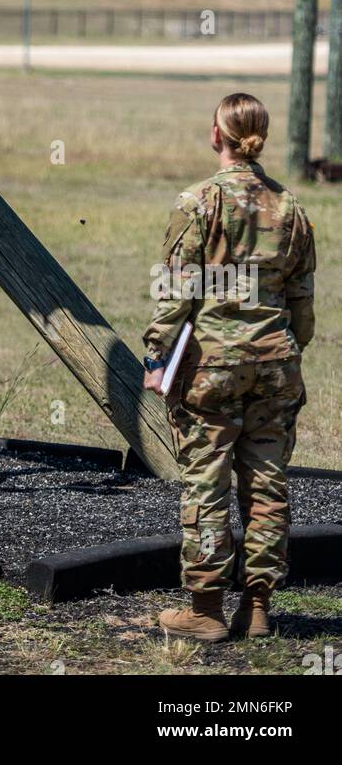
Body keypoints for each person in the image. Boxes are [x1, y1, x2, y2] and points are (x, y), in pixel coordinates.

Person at [142, 92, 315, 642]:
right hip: (275, 366)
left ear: (216, 135)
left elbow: (175, 294)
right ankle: (258, 609)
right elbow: (302, 309)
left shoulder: (198, 202)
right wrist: (280, 350)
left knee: (207, 483)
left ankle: (207, 610)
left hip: (211, 370)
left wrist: (156, 359)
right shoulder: (291, 209)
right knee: (267, 482)